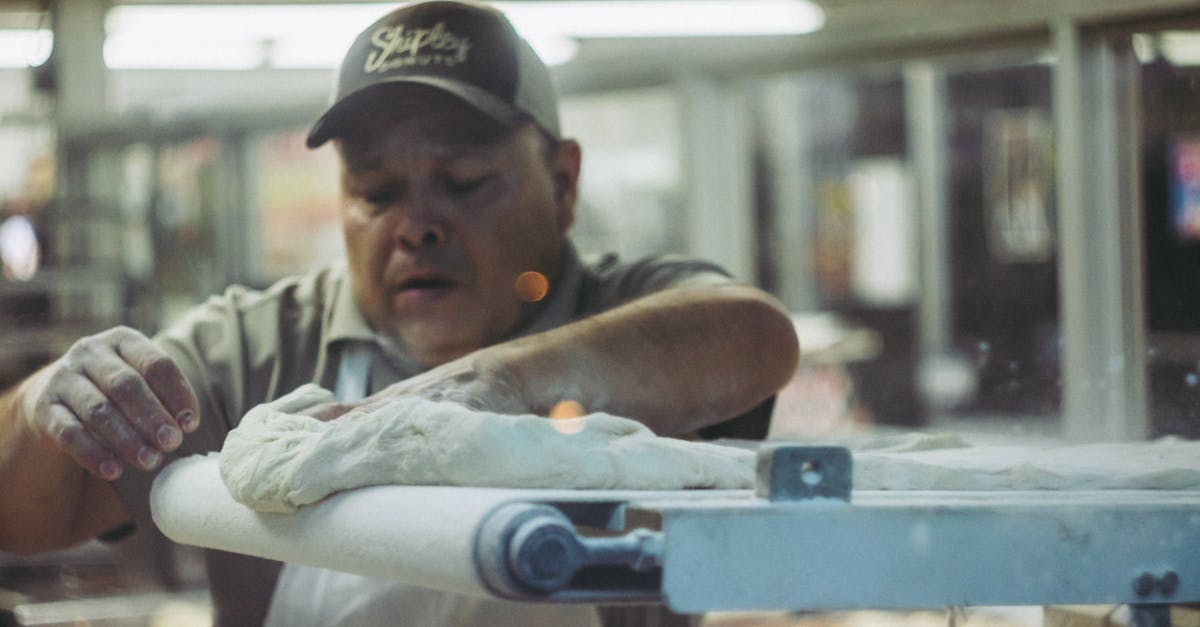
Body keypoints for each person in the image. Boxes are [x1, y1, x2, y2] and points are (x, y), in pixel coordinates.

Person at [0, 1, 799, 625]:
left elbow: (753, 335)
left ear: (562, 183)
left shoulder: (628, 306)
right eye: (376, 191)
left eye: (463, 180)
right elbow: (28, 513)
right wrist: (43, 407)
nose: (416, 224)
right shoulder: (255, 351)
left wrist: (484, 389)